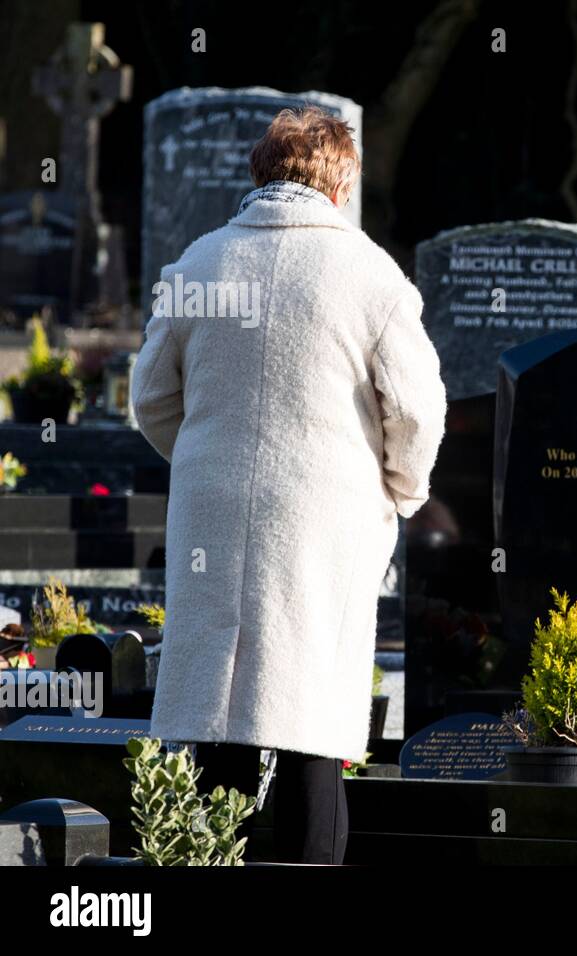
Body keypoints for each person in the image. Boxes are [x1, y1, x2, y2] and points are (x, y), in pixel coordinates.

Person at [131, 107, 446, 864]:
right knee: (312, 725)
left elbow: (149, 397)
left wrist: (208, 455)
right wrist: (397, 493)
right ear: (341, 181)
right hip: (324, 516)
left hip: (213, 512)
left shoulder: (199, 265)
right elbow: (416, 411)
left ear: (261, 171)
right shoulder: (372, 277)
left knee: (219, 717)